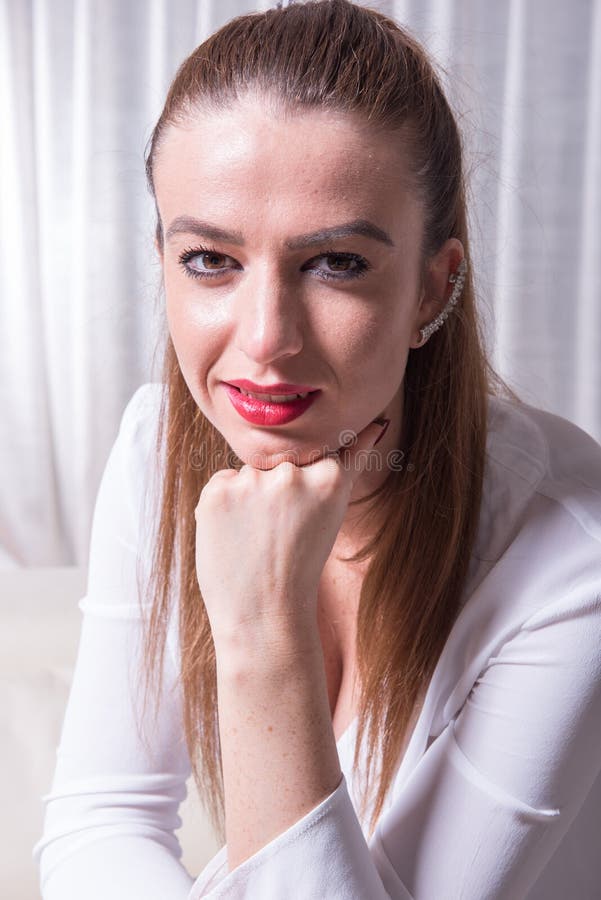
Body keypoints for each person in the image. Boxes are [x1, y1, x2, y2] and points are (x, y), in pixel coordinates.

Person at [33, 1, 601, 897]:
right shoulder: (155, 447)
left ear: (431, 288)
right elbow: (101, 818)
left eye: (335, 263)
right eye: (210, 259)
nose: (265, 338)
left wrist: (264, 635)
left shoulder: (571, 559)